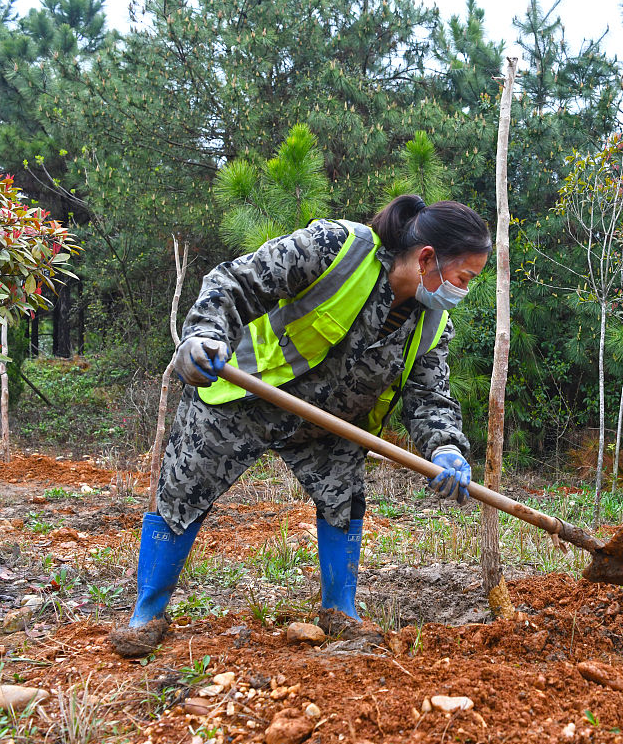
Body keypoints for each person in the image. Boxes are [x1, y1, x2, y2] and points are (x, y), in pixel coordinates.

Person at [108, 195, 490, 657]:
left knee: (344, 502)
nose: (462, 291)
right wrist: (204, 334)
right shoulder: (334, 247)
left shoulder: (431, 324)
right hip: (246, 395)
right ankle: (146, 614)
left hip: (331, 427)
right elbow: (234, 283)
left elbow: (429, 396)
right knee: (184, 488)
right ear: (427, 257)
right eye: (464, 277)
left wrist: (446, 448)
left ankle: (339, 611)